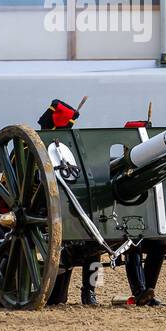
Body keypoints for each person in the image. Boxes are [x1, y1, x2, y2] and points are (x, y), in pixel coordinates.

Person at [35, 98, 101, 306]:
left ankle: (91, 291)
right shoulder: (30, 149)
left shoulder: (70, 151)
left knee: (96, 245)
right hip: (41, 212)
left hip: (72, 210)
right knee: (56, 299)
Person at [121, 115, 166, 306]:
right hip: (122, 225)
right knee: (133, 243)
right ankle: (139, 291)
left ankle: (148, 291)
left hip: (146, 224)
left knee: (160, 244)